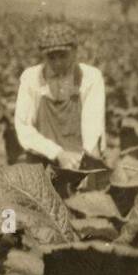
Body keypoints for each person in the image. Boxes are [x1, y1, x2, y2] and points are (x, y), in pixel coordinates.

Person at [14, 22, 105, 170]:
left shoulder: (91, 78)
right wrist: (58, 153)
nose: (57, 63)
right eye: (51, 57)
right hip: (41, 159)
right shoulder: (31, 78)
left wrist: (88, 162)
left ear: (75, 51)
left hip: (78, 161)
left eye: (63, 56)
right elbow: (24, 127)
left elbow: (92, 126)